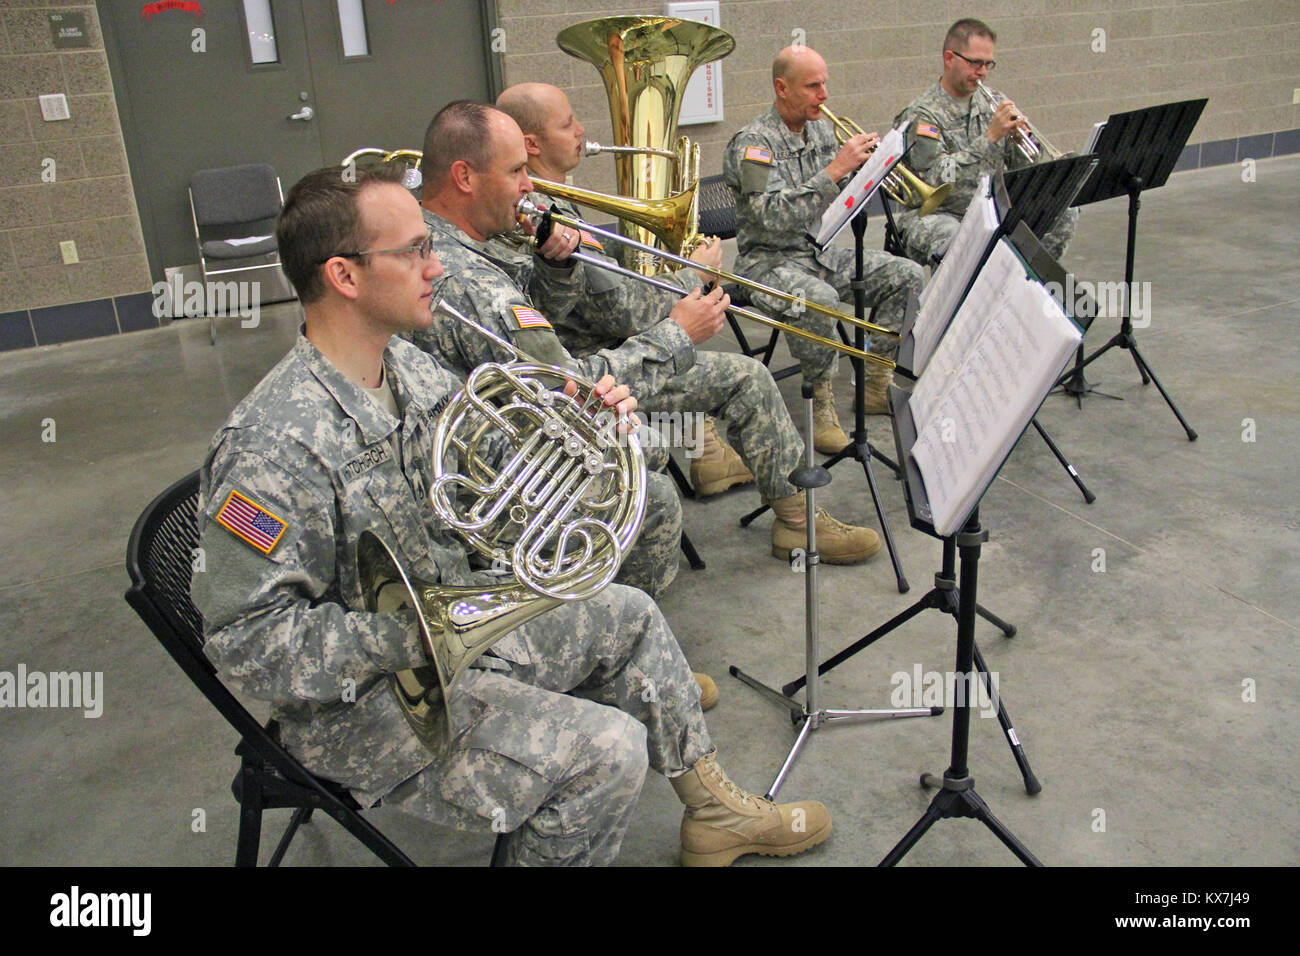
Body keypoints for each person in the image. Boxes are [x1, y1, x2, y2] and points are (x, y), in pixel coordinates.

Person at [192, 163, 832, 866]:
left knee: (629, 613)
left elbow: (503, 452)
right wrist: (406, 634)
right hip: (367, 710)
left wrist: (586, 429)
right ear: (344, 276)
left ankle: (713, 811)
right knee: (608, 753)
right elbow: (245, 643)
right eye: (413, 251)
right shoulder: (272, 443)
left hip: (457, 632)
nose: (437, 266)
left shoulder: (404, 367)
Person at [495, 82, 880, 565]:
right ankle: (798, 523)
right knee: (749, 376)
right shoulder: (543, 214)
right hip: (601, 377)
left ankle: (716, 460)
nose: (582, 130)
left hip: (614, 355)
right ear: (532, 143)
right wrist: (689, 275)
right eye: (568, 122)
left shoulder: (555, 202)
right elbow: (625, 312)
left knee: (722, 357)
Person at [724, 46, 922, 429]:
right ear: (782, 88)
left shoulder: (820, 131)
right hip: (767, 262)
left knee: (907, 275)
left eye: (825, 83)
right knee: (819, 299)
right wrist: (834, 171)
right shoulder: (753, 145)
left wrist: (868, 170)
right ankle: (820, 403)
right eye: (813, 86)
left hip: (818, 254)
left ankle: (877, 381)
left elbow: (839, 196)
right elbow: (768, 217)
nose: (824, 94)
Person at [892, 18, 1079, 266]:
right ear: (950, 59)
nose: (982, 72)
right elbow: (934, 180)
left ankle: (1020, 281)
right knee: (956, 239)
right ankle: (963, 302)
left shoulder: (993, 101)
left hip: (991, 205)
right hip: (938, 214)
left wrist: (1018, 139)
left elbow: (1021, 168)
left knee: (1063, 211)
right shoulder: (922, 115)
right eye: (975, 63)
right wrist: (989, 138)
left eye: (988, 64)